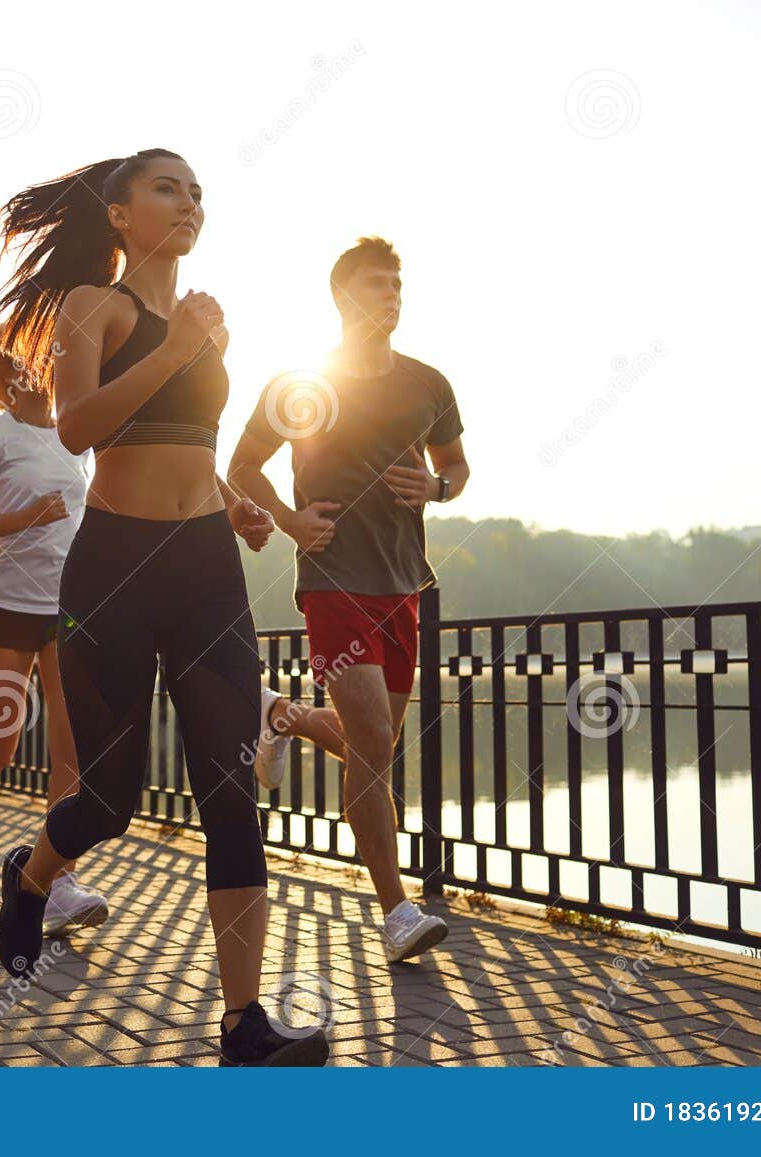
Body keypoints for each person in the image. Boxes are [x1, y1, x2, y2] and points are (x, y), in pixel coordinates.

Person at [0, 148, 328, 1066]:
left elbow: (192, 439)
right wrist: (177, 350)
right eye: (168, 187)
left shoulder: (205, 324)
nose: (189, 201)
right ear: (121, 215)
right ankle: (30, 873)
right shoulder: (92, 307)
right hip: (114, 569)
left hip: (205, 566)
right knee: (109, 799)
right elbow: (78, 425)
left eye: (198, 191)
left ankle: (243, 1024)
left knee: (229, 790)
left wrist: (232, 500)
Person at [228, 236, 470, 964]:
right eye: (376, 283)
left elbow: (457, 468)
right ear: (342, 296)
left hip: (404, 584)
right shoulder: (302, 383)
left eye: (398, 283)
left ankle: (282, 715)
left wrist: (438, 488)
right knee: (370, 737)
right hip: (333, 578)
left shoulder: (429, 383)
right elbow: (241, 465)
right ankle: (397, 910)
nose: (392, 294)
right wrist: (289, 520)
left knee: (376, 745)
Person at [0, 344, 109, 936]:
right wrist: (24, 520)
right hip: (4, 607)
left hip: (67, 611)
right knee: (3, 743)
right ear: (10, 381)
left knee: (69, 749)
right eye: (27, 364)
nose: (42, 369)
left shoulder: (76, 436)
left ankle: (59, 880)